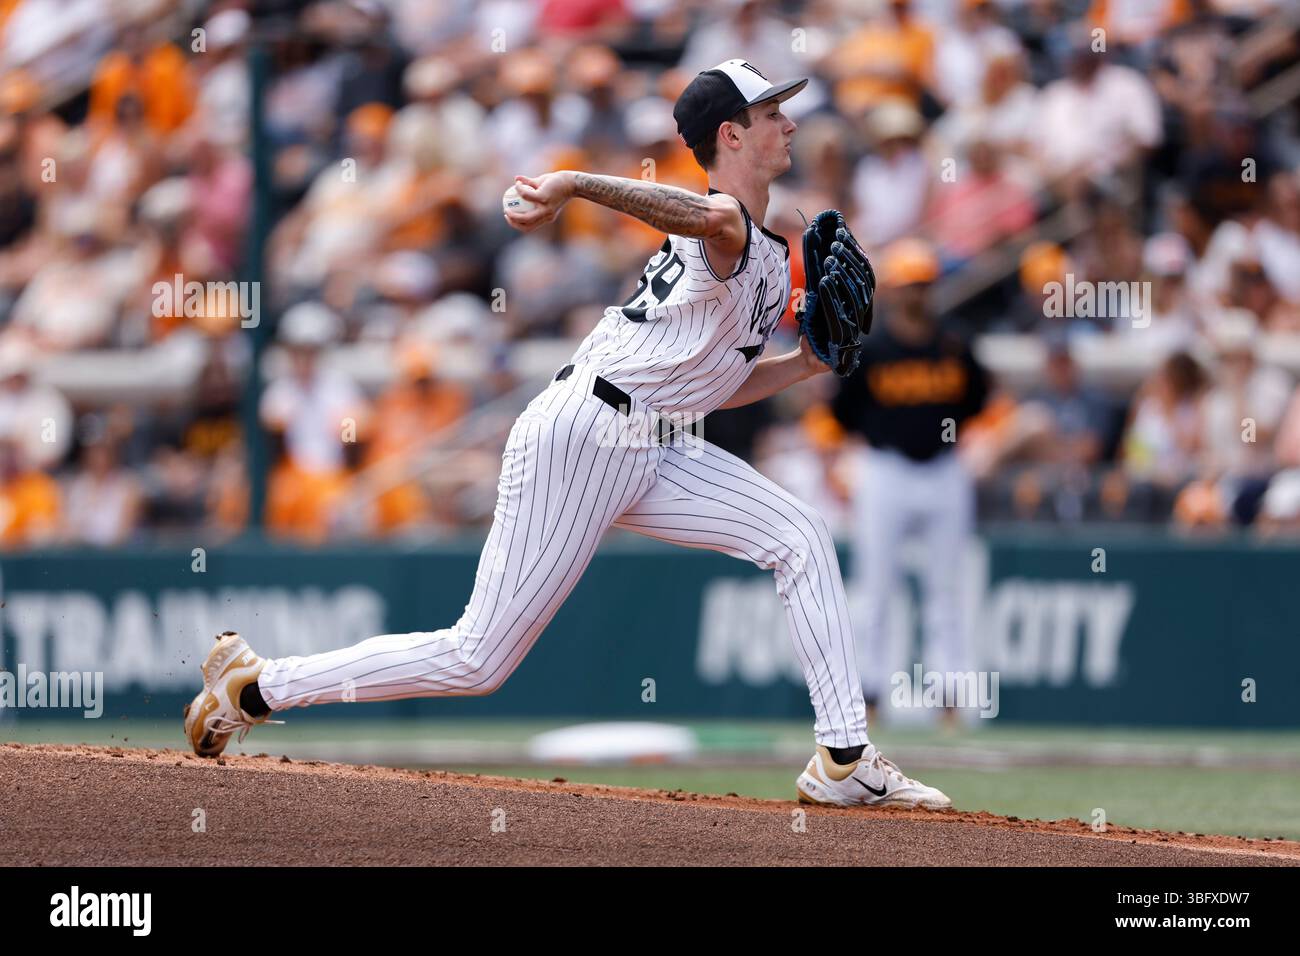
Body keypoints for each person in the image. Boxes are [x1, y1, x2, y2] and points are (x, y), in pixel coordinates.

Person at [184, 59, 951, 810]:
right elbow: (697, 214)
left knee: (802, 536)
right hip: (585, 435)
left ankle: (844, 757)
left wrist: (804, 365)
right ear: (732, 135)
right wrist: (574, 182)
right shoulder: (726, 226)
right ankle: (257, 684)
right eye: (772, 112)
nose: (788, 121)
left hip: (653, 438)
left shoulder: (755, 249)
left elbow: (709, 384)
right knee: (477, 659)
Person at [831, 238, 989, 730]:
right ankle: (869, 697)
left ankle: (950, 699)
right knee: (875, 586)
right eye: (909, 286)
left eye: (923, 285)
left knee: (947, 588)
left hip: (943, 469)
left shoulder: (955, 343)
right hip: (887, 470)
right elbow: (842, 412)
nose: (916, 295)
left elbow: (978, 399)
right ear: (894, 291)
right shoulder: (873, 349)